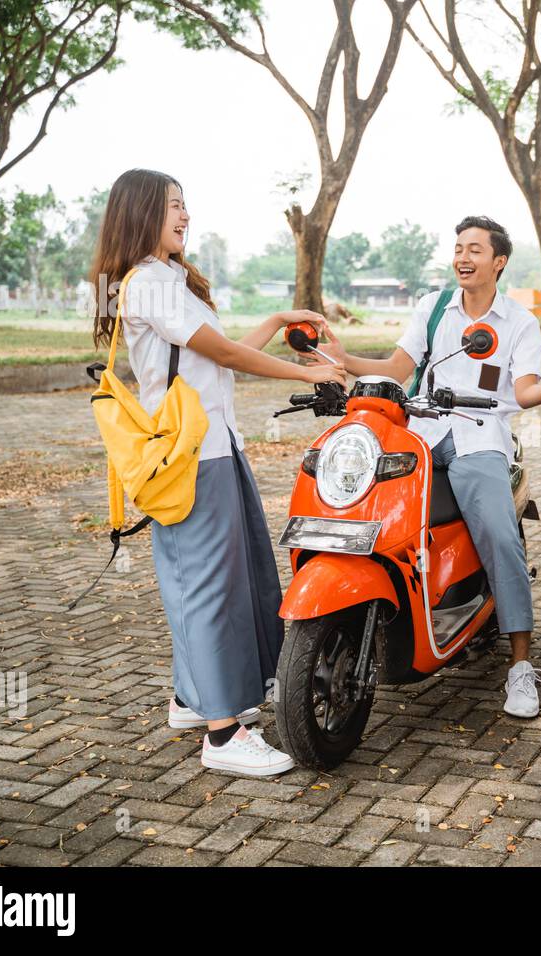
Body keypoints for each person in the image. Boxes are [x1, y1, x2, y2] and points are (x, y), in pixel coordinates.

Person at [89, 168, 346, 776]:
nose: (184, 215)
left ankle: (191, 699)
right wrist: (309, 373)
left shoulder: (171, 280)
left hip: (214, 449)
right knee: (204, 588)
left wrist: (280, 322)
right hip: (189, 458)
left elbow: (219, 351)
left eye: (185, 205)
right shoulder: (147, 282)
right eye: (172, 206)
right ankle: (223, 737)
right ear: (141, 213)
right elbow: (227, 354)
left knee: (223, 579)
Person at [312, 215, 541, 718]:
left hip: (477, 436)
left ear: (498, 261)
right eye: (459, 248)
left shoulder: (519, 323)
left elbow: (523, 390)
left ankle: (520, 666)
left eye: (475, 250)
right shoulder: (434, 307)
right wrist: (344, 358)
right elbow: (399, 369)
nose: (463, 257)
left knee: (501, 538)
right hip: (419, 432)